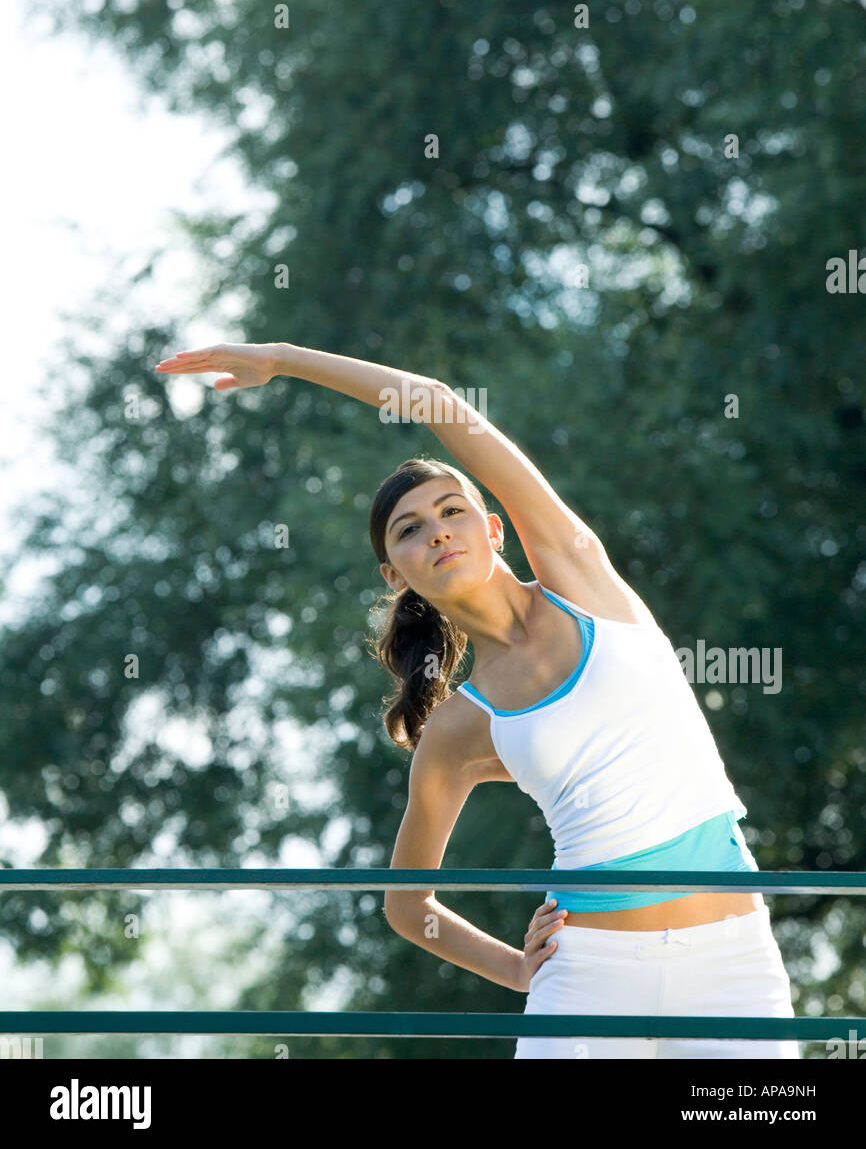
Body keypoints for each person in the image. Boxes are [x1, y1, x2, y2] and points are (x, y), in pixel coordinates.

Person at [155, 339, 799, 1060]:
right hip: (585, 984)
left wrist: (281, 359)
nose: (437, 532)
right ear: (394, 575)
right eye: (410, 530)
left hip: (732, 967)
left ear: (492, 529)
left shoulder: (579, 575)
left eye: (451, 511)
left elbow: (438, 402)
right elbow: (407, 906)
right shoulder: (459, 728)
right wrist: (517, 969)